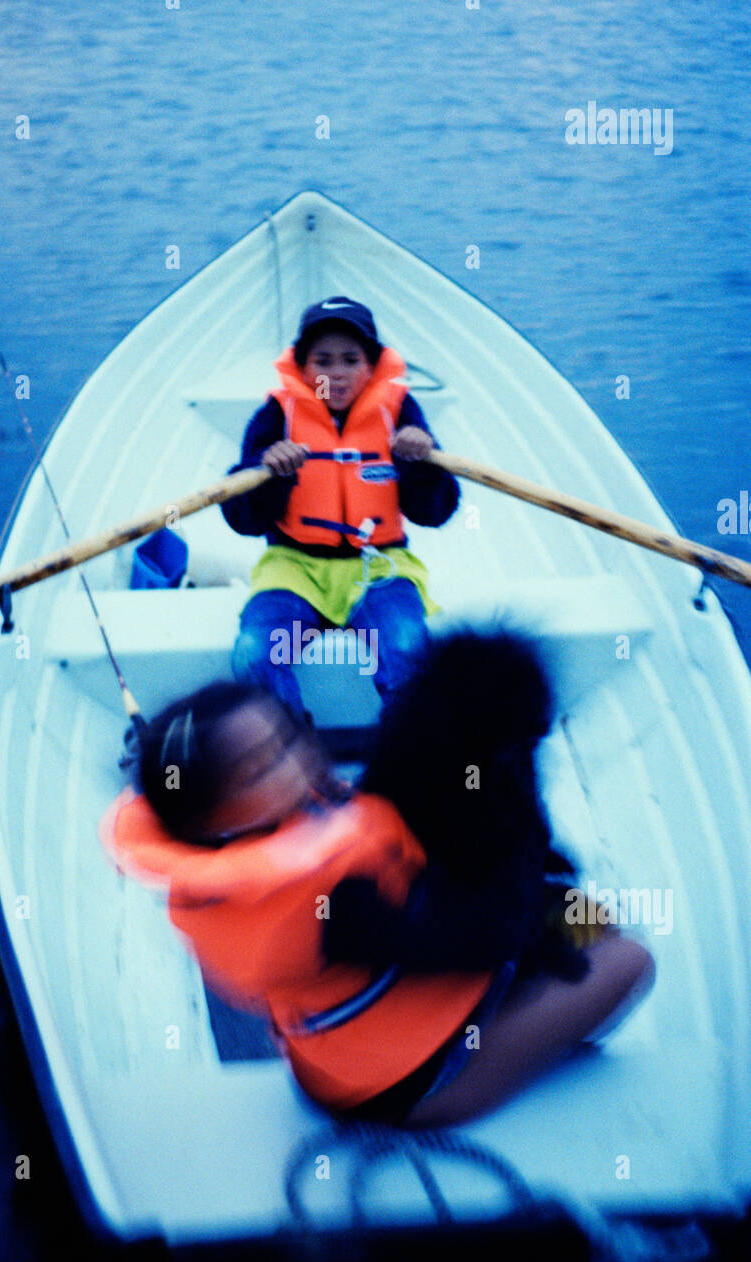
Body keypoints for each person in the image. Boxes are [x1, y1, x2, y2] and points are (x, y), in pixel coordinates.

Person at [100, 639, 655, 1127]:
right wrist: (513, 803)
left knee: (580, 916)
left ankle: (529, 1020)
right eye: (261, 767)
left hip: (354, 1045)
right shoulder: (323, 899)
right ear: (212, 820)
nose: (295, 760)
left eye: (289, 738)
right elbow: (489, 936)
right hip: (409, 1086)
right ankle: (540, 1058)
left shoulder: (254, 846)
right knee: (629, 961)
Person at [220, 297, 459, 722]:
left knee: (406, 646)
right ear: (301, 366)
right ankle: (292, 759)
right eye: (322, 361)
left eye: (351, 360)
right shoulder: (276, 416)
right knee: (254, 654)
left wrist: (418, 464)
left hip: (379, 567)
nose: (336, 373)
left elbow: (435, 512)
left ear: (372, 367)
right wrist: (270, 473)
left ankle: (410, 759)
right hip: (294, 570)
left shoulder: (400, 413)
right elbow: (244, 519)